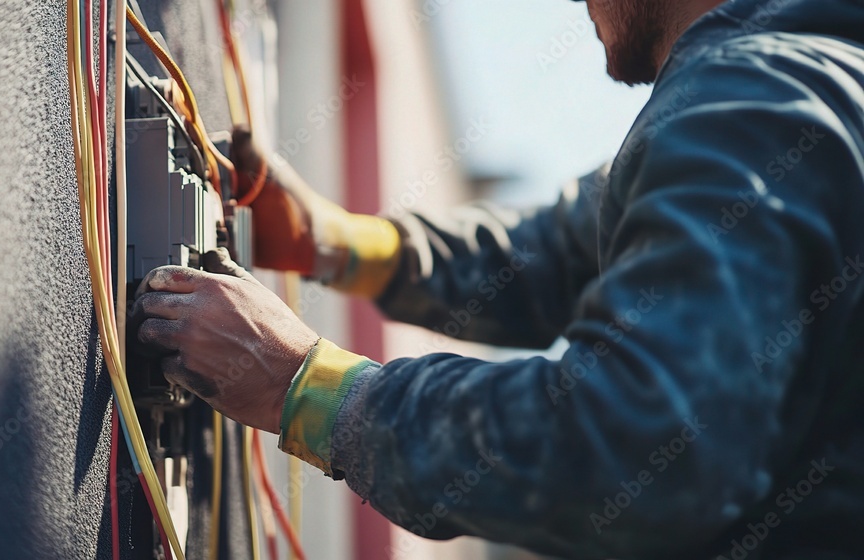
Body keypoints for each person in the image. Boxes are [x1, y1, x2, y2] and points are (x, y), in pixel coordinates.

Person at [132, 0, 864, 556]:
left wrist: (304, 386)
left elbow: (632, 444)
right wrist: (336, 242)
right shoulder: (809, 80)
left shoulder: (750, 99)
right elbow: (560, 248)